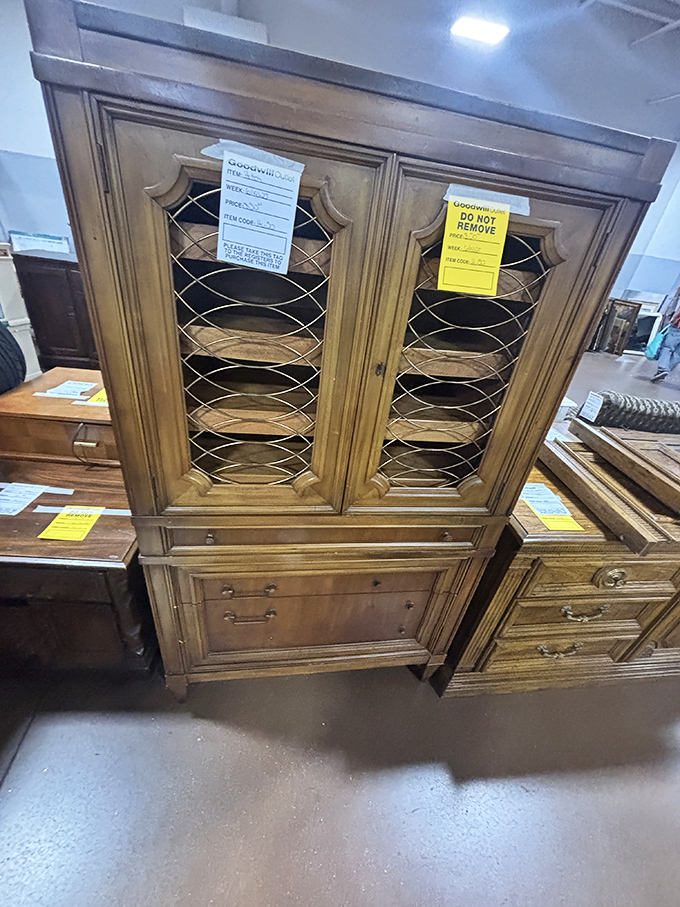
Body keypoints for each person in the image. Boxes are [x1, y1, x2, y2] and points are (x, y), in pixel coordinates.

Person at [652, 303, 680, 382]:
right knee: (678, 354)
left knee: (667, 348)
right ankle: (664, 371)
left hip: (678, 328)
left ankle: (663, 369)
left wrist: (673, 319)